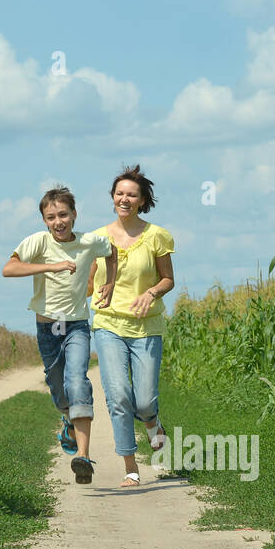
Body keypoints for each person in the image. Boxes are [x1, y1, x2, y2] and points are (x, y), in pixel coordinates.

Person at [3, 186, 116, 484]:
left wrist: (110, 283)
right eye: (51, 217)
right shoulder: (38, 242)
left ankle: (83, 456)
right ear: (44, 220)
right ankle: (67, 421)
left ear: (74, 214)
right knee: (57, 387)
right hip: (48, 326)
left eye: (63, 214)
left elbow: (111, 251)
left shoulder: (89, 242)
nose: (58, 221)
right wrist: (51, 266)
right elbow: (9, 269)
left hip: (76, 323)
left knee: (77, 380)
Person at [87, 165, 175, 487]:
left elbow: (168, 279)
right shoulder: (96, 238)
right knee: (118, 396)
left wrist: (150, 293)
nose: (124, 198)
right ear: (112, 198)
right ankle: (131, 466)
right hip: (108, 325)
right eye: (119, 193)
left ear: (141, 200)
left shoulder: (157, 236)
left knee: (144, 401)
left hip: (146, 327)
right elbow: (87, 284)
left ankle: (154, 424)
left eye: (131, 194)